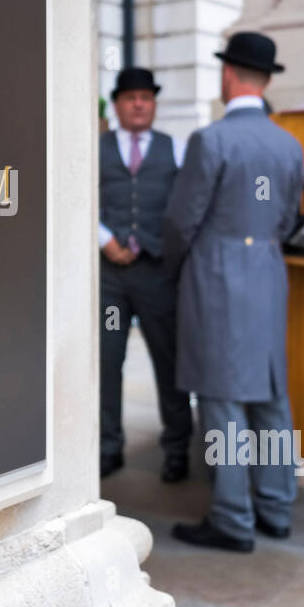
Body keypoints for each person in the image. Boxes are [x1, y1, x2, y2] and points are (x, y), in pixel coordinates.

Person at [162, 32, 304, 551]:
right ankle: (275, 507)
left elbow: (181, 222)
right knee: (270, 394)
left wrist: (176, 268)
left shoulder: (211, 140)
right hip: (267, 270)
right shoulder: (290, 144)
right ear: (265, 80)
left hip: (217, 273)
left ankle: (231, 518)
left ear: (228, 76)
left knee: (222, 399)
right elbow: (288, 219)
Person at [98, 68, 193, 481]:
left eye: (146, 97)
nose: (139, 104)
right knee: (106, 362)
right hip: (109, 276)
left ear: (154, 105)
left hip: (156, 272)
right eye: (131, 97)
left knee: (168, 361)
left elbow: (185, 206)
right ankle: (107, 446)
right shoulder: (96, 148)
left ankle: (177, 449)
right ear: (117, 104)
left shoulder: (174, 148)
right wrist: (104, 239)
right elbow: (76, 198)